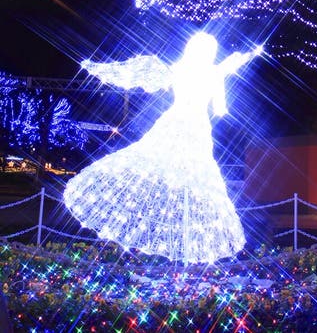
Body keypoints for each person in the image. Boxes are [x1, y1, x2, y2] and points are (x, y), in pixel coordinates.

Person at [64, 30, 262, 263]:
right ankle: (181, 247)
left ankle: (155, 230)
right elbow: (220, 108)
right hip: (196, 128)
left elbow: (216, 97)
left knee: (158, 165)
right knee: (195, 179)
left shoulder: (178, 70)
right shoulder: (213, 74)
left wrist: (236, 63)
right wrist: (235, 65)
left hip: (175, 122)